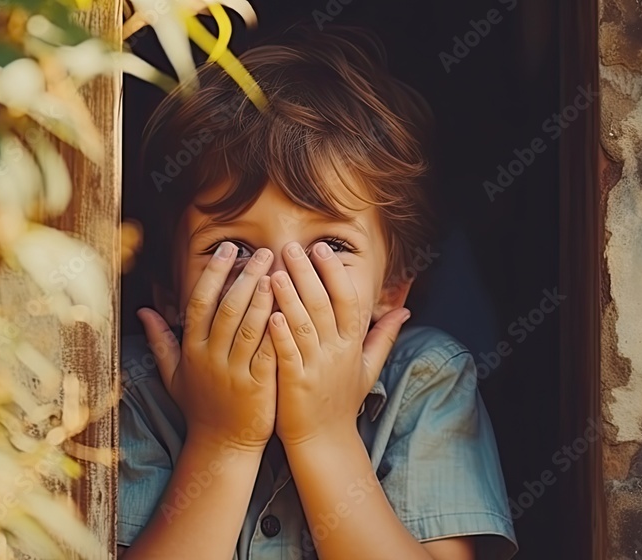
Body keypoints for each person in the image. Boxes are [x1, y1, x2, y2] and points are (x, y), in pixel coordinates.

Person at [117, 25, 518, 560]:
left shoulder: (423, 381)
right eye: (231, 246)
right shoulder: (131, 388)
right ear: (169, 294)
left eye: (330, 243)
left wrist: (323, 435)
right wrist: (223, 441)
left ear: (392, 290)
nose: (280, 278)